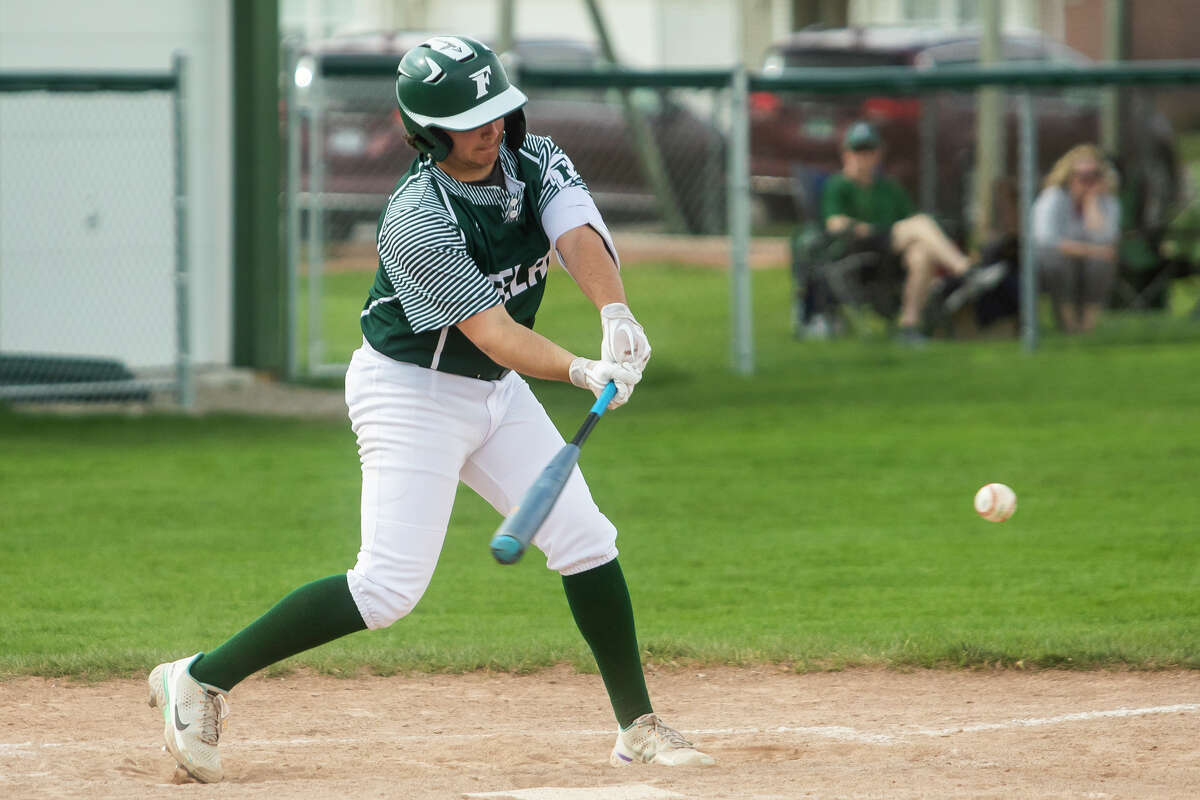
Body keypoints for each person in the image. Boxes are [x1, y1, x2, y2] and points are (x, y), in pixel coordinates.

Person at [146, 35, 713, 783]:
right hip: (409, 393)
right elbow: (495, 332)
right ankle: (200, 676)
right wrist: (582, 368)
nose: (488, 128)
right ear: (426, 131)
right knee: (385, 589)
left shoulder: (535, 159)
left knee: (584, 537)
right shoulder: (417, 217)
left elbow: (575, 233)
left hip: (493, 392)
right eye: (469, 119)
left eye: (496, 112)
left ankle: (635, 725)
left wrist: (616, 313)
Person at [820, 121, 1004, 343]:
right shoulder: (839, 185)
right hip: (859, 248)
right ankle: (965, 270)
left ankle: (909, 326)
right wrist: (866, 228)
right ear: (846, 154)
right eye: (858, 150)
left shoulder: (887, 187)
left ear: (879, 153)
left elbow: (909, 218)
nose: (863, 156)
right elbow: (835, 224)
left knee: (922, 252)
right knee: (921, 224)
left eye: (869, 150)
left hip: (893, 250)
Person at [1032, 144, 1121, 333]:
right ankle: (1069, 324)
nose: (1087, 181)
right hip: (1052, 259)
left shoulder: (1107, 202)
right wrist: (1092, 250)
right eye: (1081, 176)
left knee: (1101, 262)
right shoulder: (1053, 198)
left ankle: (1088, 326)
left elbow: (1106, 238)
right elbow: (1049, 241)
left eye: (1094, 175)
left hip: (1087, 259)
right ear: (1068, 176)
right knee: (1059, 261)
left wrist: (1091, 203)